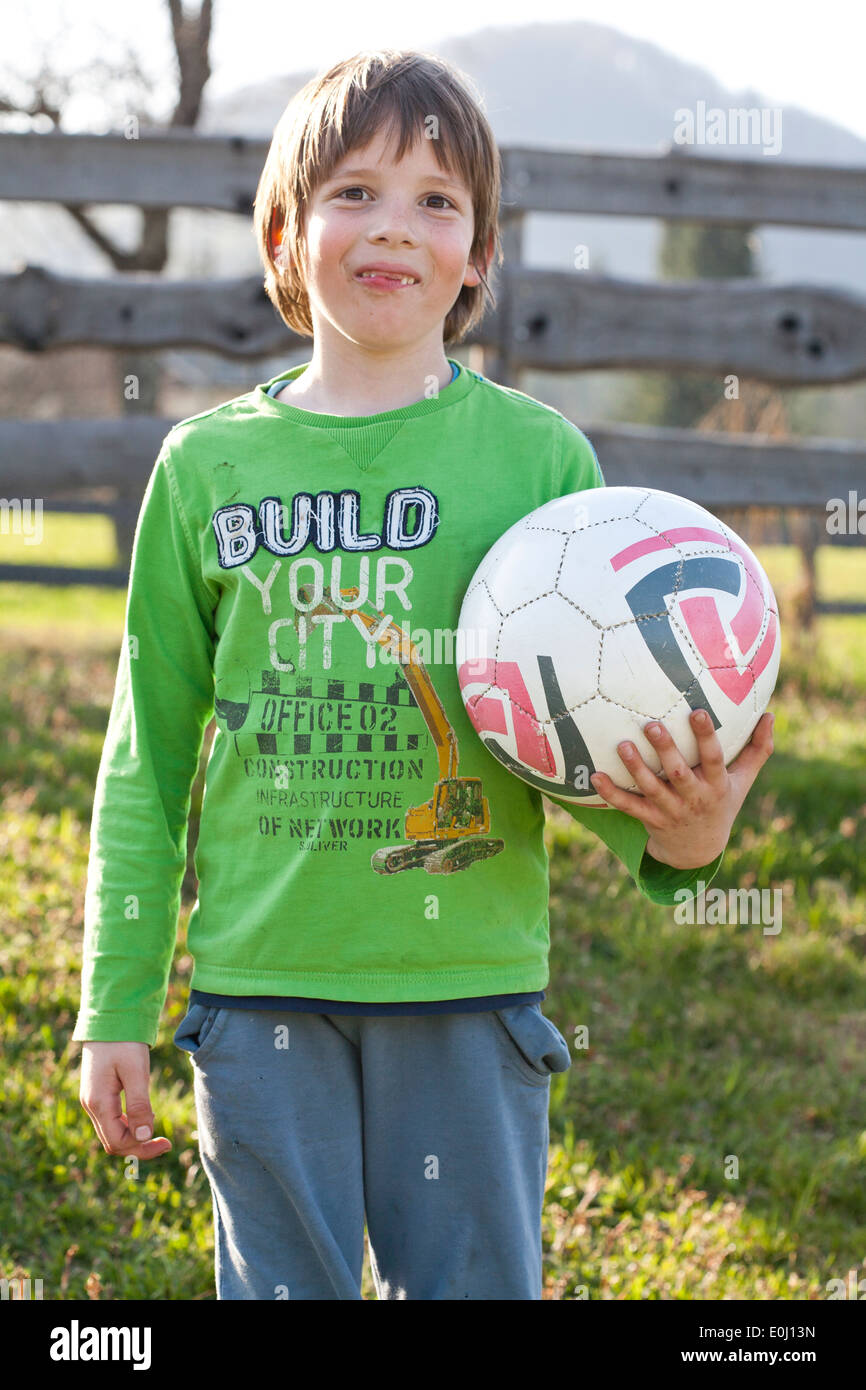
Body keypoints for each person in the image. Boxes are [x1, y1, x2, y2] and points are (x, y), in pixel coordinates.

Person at [75, 49, 773, 1300]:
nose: (393, 224)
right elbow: (148, 755)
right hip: (259, 988)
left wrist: (685, 841)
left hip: (466, 991)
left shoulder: (538, 463)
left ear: (478, 257)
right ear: (286, 236)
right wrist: (114, 1000)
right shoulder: (204, 468)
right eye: (354, 192)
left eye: (436, 201)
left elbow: (587, 725)